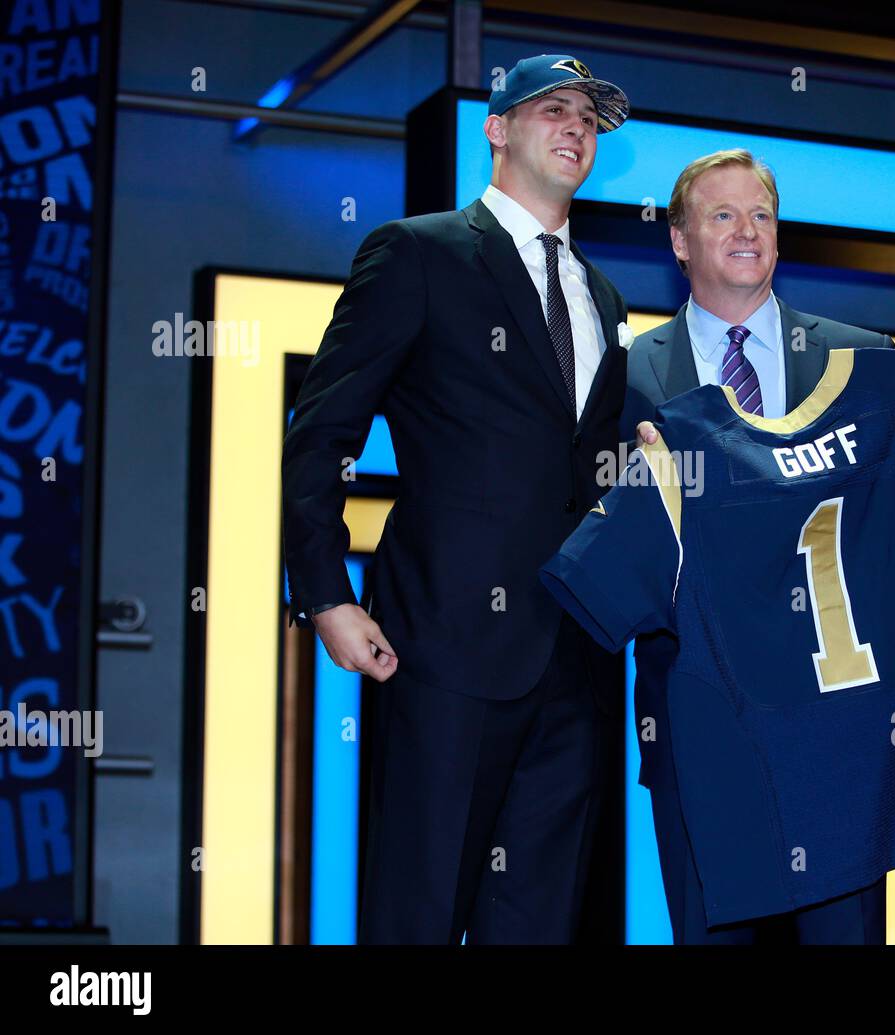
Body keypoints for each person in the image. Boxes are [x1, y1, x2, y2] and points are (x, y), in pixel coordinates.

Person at [281, 54, 631, 944]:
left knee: (541, 921)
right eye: (554, 109)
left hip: (577, 660)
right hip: (440, 644)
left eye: (589, 119)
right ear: (496, 126)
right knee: (418, 910)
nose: (576, 129)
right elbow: (321, 434)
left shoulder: (602, 294)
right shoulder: (418, 252)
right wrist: (324, 593)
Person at [623, 148, 895, 944]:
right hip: (705, 731)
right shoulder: (633, 370)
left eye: (762, 215)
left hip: (839, 738)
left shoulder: (862, 360)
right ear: (679, 240)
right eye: (723, 215)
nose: (748, 231)